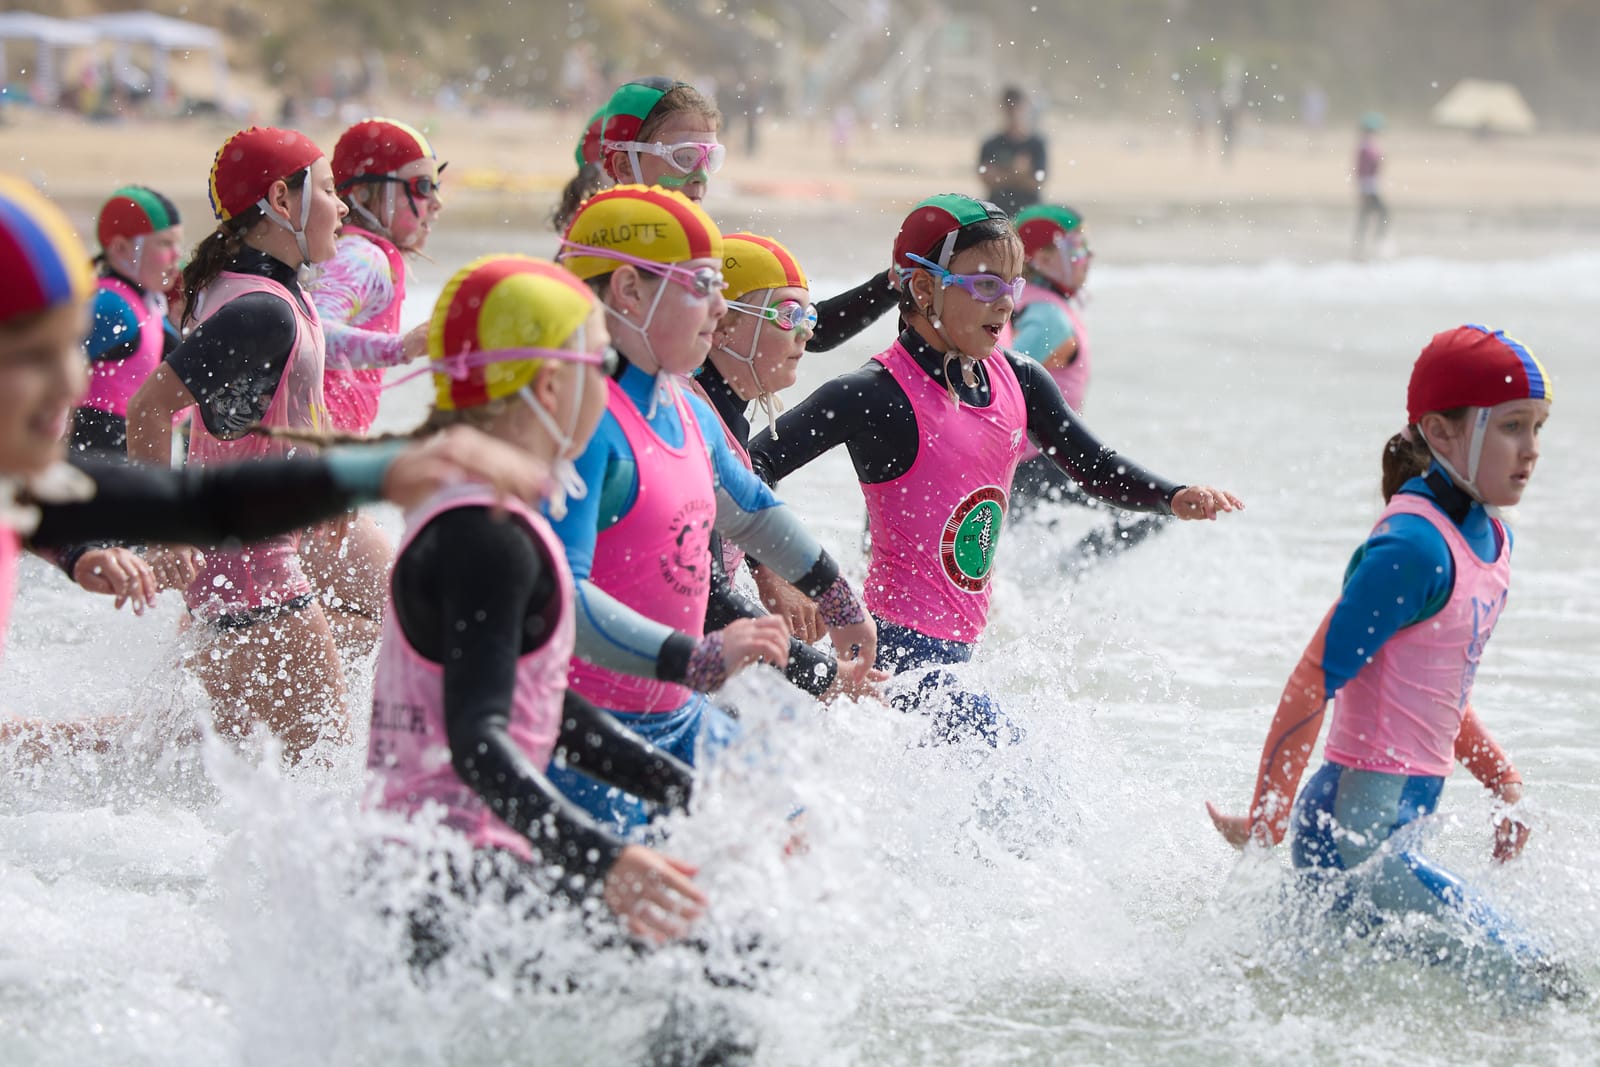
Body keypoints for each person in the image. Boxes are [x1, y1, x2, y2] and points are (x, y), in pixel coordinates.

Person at [0, 174, 549, 758]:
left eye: (66, 349)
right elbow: (154, 421)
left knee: (174, 751)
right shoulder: (260, 306)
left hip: (248, 567)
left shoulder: (30, 483)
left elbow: (184, 504)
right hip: (257, 580)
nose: (72, 382)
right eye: (34, 355)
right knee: (315, 771)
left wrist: (75, 552)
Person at [748, 194, 1241, 744]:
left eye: (1013, 286)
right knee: (1024, 779)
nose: (1005, 304)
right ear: (922, 287)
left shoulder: (1020, 379)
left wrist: (1171, 495)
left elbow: (1094, 466)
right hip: (897, 651)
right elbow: (750, 465)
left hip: (960, 655)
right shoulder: (871, 393)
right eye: (985, 285)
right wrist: (777, 574)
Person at [1206, 326, 1578, 1001]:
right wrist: (1269, 811)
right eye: (1512, 427)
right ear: (1441, 431)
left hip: (1394, 830)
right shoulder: (1413, 548)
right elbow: (1314, 677)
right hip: (1355, 837)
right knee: (1540, 981)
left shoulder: (1491, 539)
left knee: (1320, 1003)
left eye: (1539, 427)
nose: (1532, 450)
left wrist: (1504, 783)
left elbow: (1435, 690)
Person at [364, 254, 707, 959]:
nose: (609, 386)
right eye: (601, 365)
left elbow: (537, 705)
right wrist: (603, 860)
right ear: (552, 384)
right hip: (463, 885)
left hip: (412, 876)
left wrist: (680, 787)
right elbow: (480, 738)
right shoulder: (490, 537)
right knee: (731, 955)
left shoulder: (461, 509)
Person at [547, 185, 878, 833]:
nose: (720, 306)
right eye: (702, 282)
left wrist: (838, 600)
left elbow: (752, 512)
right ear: (628, 291)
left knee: (794, 836)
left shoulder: (685, 408)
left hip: (677, 715)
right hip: (584, 727)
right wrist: (696, 658)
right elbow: (562, 597)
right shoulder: (578, 424)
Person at [125, 126, 354, 763]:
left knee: (190, 772)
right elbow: (147, 410)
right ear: (282, 200)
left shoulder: (265, 293)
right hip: (261, 586)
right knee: (329, 782)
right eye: (330, 190)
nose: (342, 208)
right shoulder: (263, 310)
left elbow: (261, 418)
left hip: (234, 579)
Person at [558, 77, 899, 352]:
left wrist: (892, 283)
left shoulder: (703, 259)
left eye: (712, 159)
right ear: (622, 165)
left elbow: (805, 328)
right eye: (686, 157)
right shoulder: (586, 261)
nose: (702, 176)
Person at [693, 231, 889, 698]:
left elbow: (747, 506)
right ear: (721, 324)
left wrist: (812, 588)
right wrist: (821, 674)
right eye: (787, 315)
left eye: (810, 316)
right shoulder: (689, 422)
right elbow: (702, 600)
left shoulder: (721, 416)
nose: (806, 333)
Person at [301, 117, 445, 655]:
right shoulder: (366, 256)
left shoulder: (349, 251)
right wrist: (401, 348)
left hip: (297, 473)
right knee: (422, 620)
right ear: (361, 194)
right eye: (421, 187)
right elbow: (309, 330)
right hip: (309, 481)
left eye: (436, 185)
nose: (434, 204)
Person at [1004, 204, 1170, 563]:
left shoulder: (1020, 302)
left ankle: (1032, 591)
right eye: (1076, 248)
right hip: (1038, 460)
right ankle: (1060, 578)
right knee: (1146, 510)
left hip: (1018, 461)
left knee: (1014, 540)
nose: (1087, 256)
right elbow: (1004, 376)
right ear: (1042, 258)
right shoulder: (1049, 318)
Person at [71, 185, 184, 457]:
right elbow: (44, 362)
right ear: (121, 248)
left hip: (132, 458)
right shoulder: (111, 305)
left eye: (178, 243)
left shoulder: (146, 301)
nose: (176, 255)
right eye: (165, 243)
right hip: (101, 461)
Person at [976, 87, 1047, 218]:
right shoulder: (991, 144)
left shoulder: (1036, 144)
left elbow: (1037, 182)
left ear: (1025, 108)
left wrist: (1002, 175)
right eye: (1009, 108)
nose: (1013, 113)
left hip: (1029, 214)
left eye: (1016, 107)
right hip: (997, 214)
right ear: (1002, 109)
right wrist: (1018, 173)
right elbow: (986, 179)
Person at [1353, 112, 1390, 259]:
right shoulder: (1365, 147)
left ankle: (1361, 247)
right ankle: (1376, 242)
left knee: (1366, 217)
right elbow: (1368, 167)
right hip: (1368, 187)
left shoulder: (1367, 146)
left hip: (1369, 186)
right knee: (1383, 214)